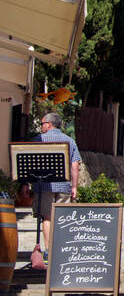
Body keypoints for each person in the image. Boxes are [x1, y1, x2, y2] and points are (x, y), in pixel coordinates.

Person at [30, 111, 81, 270]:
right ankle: (61, 251)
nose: (41, 127)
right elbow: (75, 166)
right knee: (62, 218)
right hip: (63, 185)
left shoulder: (38, 140)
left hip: (43, 185)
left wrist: (26, 183)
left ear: (49, 124)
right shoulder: (69, 141)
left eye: (43, 124)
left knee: (47, 217)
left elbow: (29, 164)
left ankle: (49, 252)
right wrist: (74, 187)